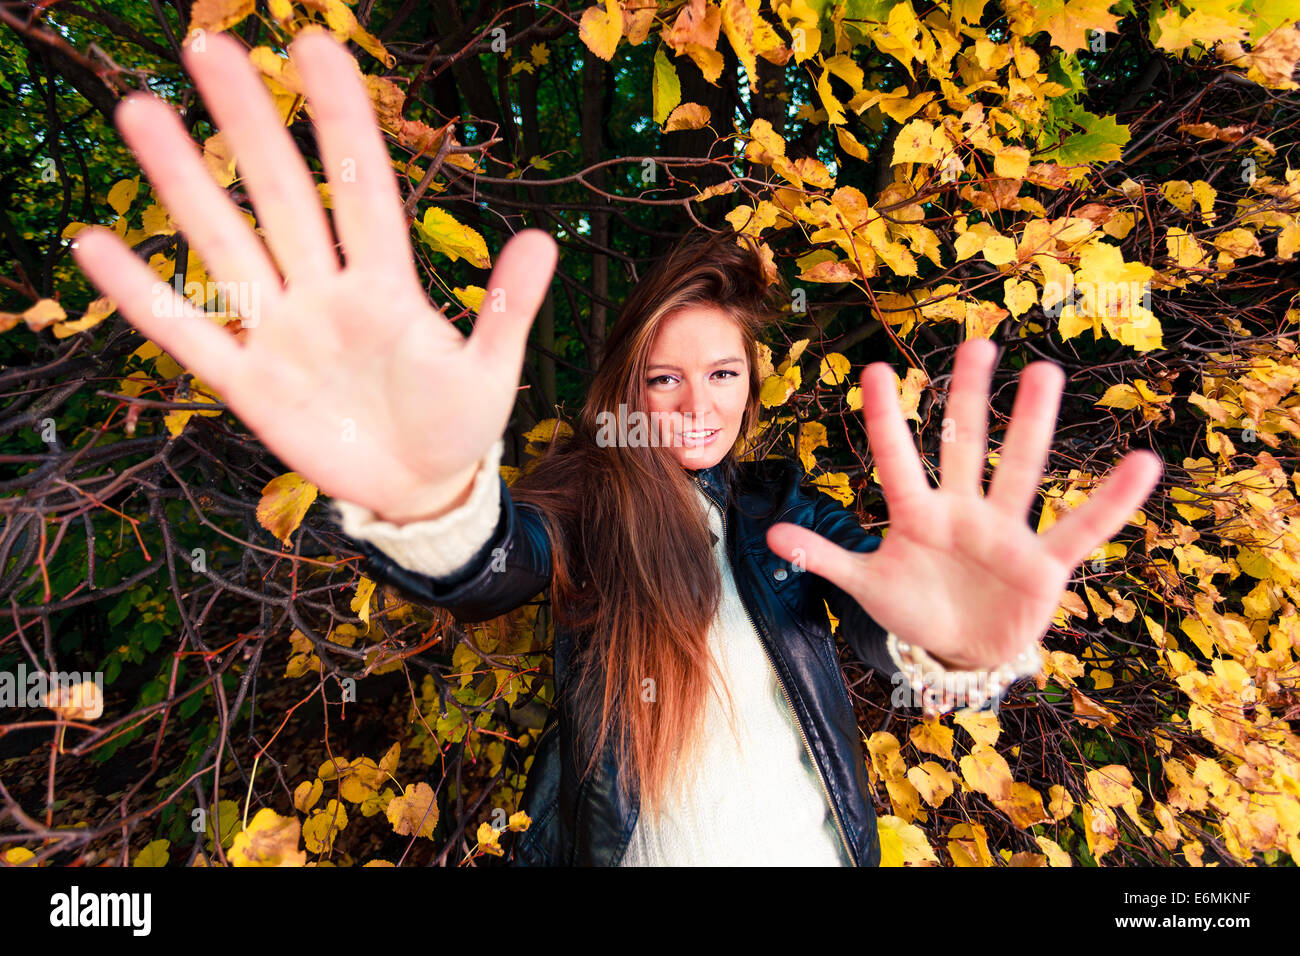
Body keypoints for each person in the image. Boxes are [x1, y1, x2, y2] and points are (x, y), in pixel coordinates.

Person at [70, 28, 1163, 866]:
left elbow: (886, 627)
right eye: (666, 377)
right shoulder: (588, 496)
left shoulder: (784, 507)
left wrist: (959, 653)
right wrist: (431, 501)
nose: (698, 404)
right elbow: (498, 560)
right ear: (627, 387)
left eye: (724, 374)